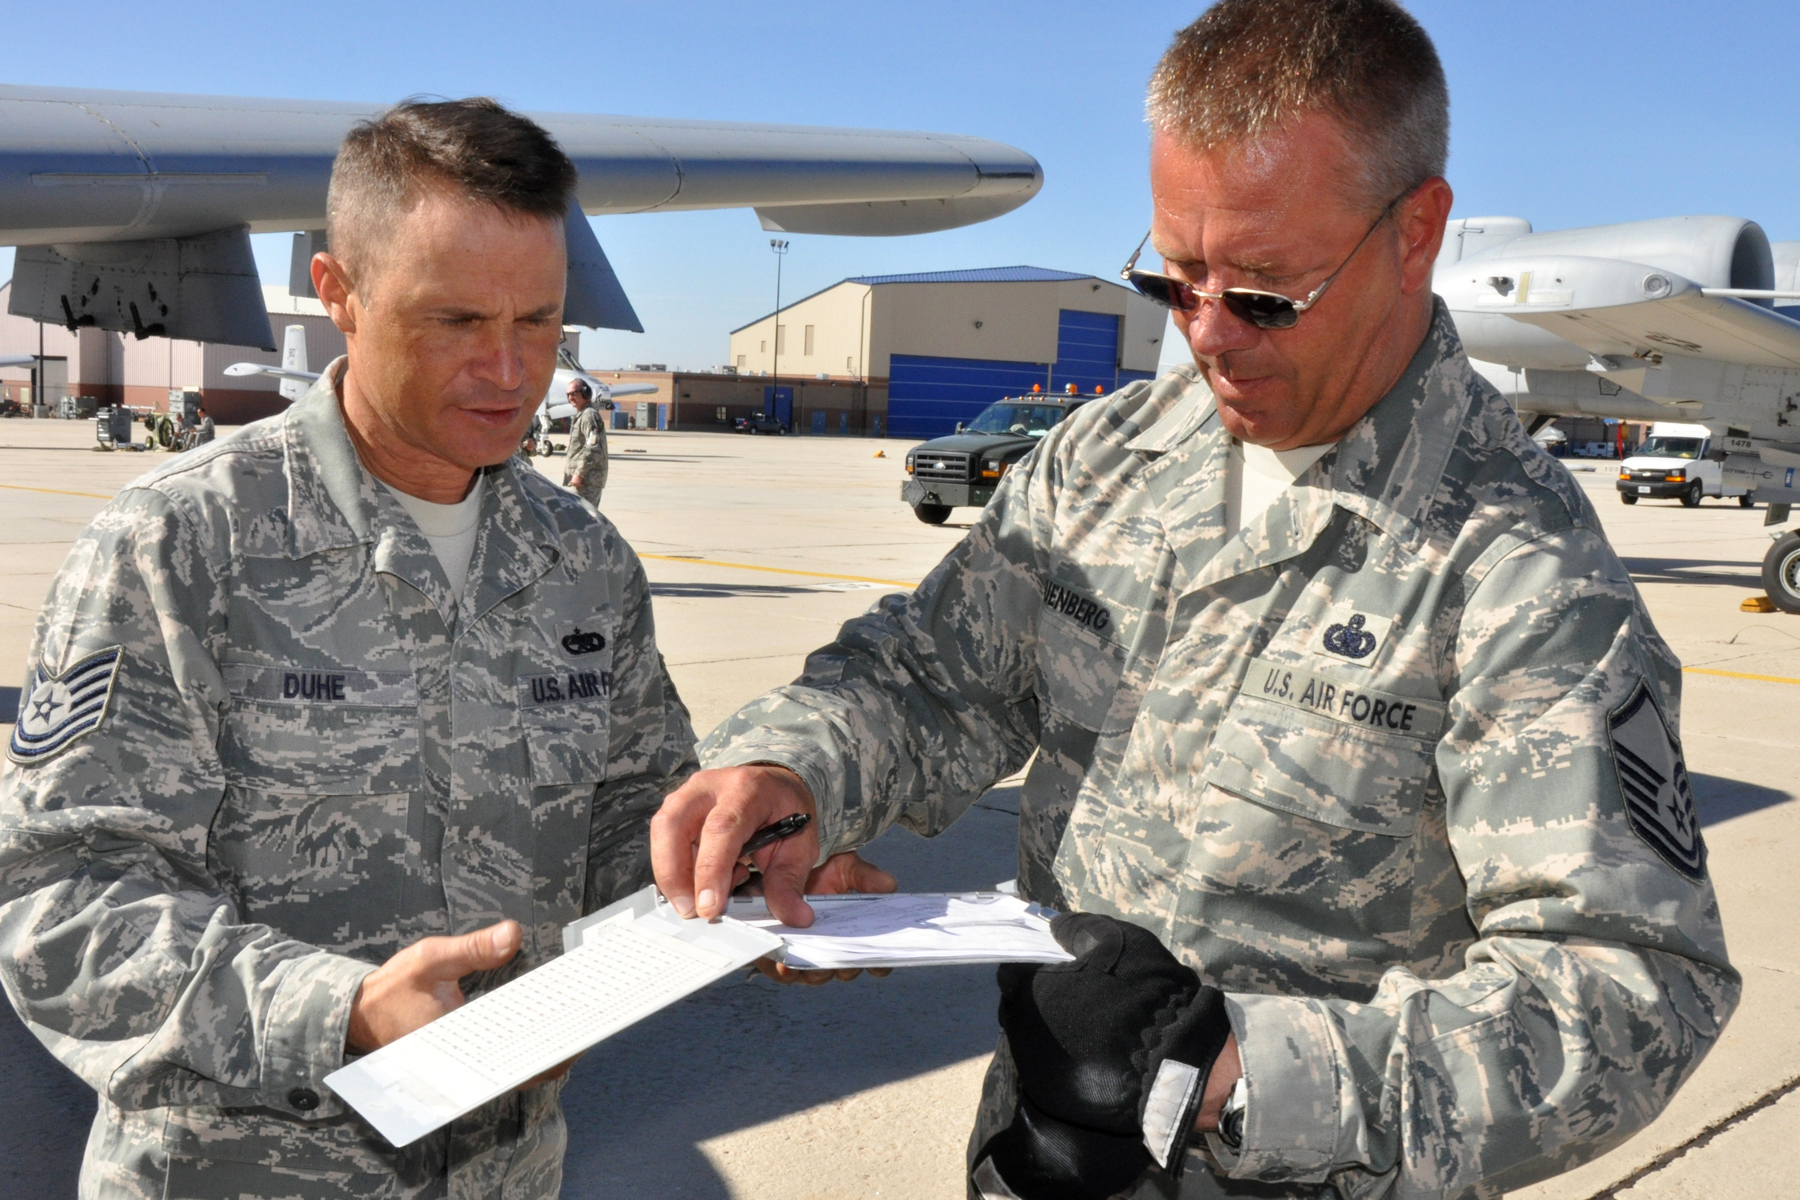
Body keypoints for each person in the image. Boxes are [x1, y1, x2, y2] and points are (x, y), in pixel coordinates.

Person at [649, 3, 1737, 1197]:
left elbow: (1634, 984)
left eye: (1267, 291)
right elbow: (929, 676)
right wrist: (792, 773)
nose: (1210, 335)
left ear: (1415, 233)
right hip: (1040, 1152)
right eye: (1175, 277)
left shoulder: (1520, 573)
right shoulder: (1106, 459)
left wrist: (1239, 1075)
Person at [0, 97, 695, 1199]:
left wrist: (738, 879)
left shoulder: (584, 561)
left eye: (538, 323)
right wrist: (343, 1011)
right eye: (457, 321)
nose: (511, 372)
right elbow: (60, 904)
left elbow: (635, 813)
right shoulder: (185, 542)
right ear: (339, 296)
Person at [563, 376, 608, 508]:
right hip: (582, 481)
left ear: (585, 392)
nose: (571, 397)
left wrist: (579, 474)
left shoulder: (589, 415)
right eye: (568, 395)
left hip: (585, 483)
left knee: (584, 521)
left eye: (574, 393)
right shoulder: (582, 415)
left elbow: (592, 446)